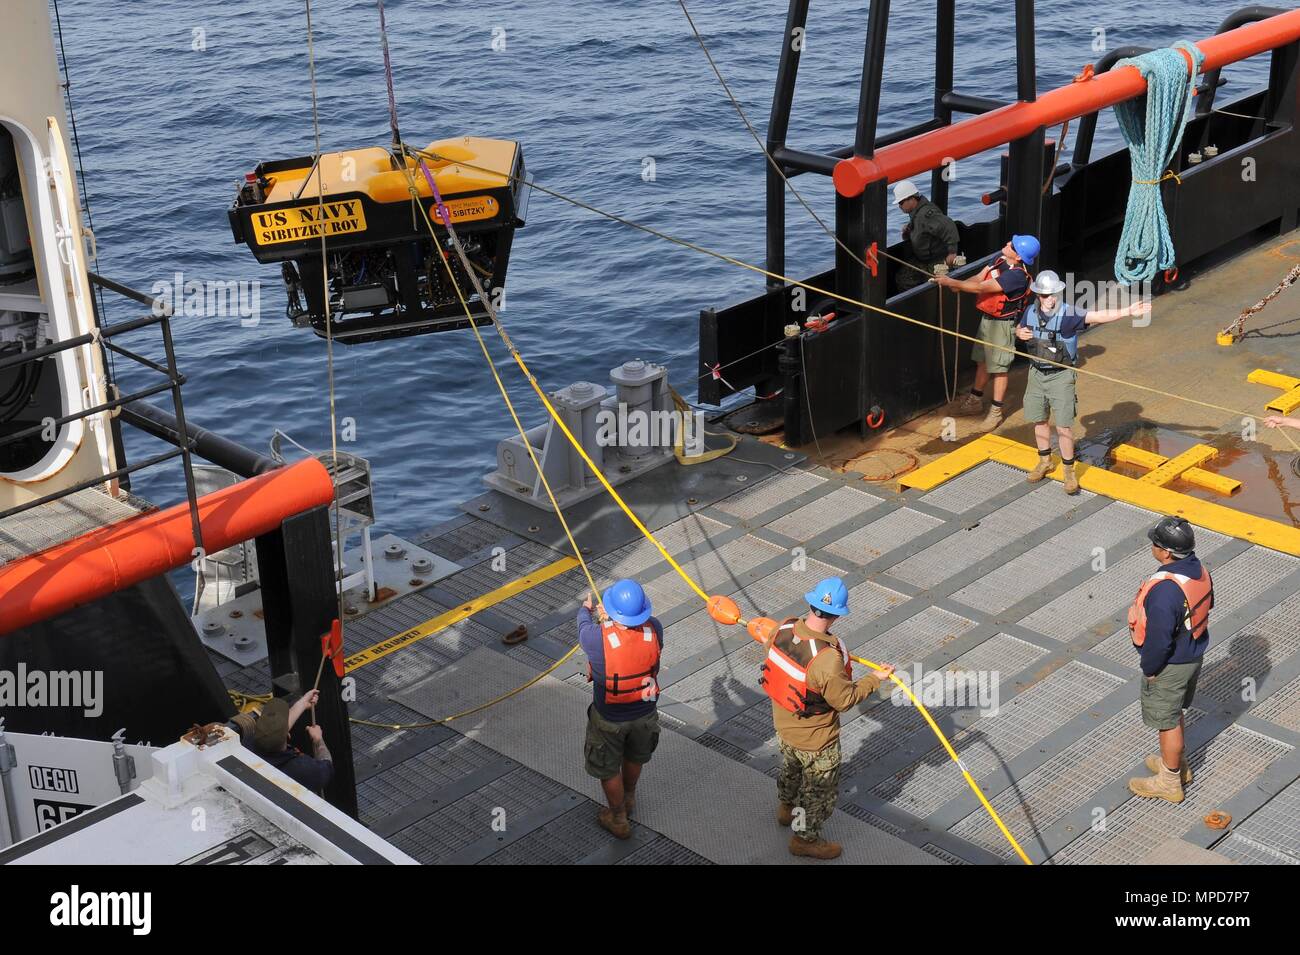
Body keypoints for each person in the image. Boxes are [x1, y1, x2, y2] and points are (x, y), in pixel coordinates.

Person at [761, 576, 895, 860]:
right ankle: (804, 839)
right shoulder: (827, 659)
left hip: (783, 726)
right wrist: (874, 679)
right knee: (818, 791)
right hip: (817, 739)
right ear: (837, 615)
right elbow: (844, 700)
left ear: (811, 603)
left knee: (791, 767)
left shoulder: (782, 627)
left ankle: (786, 809)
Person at [1015, 269, 1152, 494]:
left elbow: (1097, 316)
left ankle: (1068, 472)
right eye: (1045, 295)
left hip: (1061, 376)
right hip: (1036, 374)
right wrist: (1019, 333)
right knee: (1039, 420)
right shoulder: (1030, 312)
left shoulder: (1069, 314)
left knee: (1063, 426)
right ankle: (1045, 461)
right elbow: (1021, 329)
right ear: (1037, 296)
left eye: (1053, 294)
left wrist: (1128, 311)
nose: (1050, 299)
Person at [1126, 517, 1213, 803]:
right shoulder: (1198, 570)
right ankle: (1176, 764)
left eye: (1155, 543)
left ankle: (1169, 782)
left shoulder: (1165, 591)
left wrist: (1151, 669)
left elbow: (1159, 639)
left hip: (1170, 665)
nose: (1152, 546)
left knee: (1168, 722)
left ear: (1165, 553)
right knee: (1175, 713)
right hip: (1193, 653)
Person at [578, 578, 663, 840]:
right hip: (645, 714)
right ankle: (629, 798)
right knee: (635, 756)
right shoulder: (656, 629)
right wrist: (612, 621)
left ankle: (617, 817)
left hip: (609, 719)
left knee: (608, 768)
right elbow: (631, 642)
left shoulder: (595, 638)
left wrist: (587, 609)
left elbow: (583, 626)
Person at [933, 234, 1039, 431]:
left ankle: (996, 411)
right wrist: (960, 285)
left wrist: (953, 283)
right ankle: (975, 400)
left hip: (1002, 325)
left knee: (999, 368)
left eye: (1012, 245)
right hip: (987, 321)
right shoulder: (999, 259)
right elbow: (979, 277)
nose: (1007, 243)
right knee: (982, 360)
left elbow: (983, 287)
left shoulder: (1016, 276)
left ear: (1018, 257)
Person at [227, 689, 333, 791]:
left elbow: (275, 730)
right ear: (288, 735)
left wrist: (303, 703)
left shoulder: (245, 744)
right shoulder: (304, 770)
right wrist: (318, 739)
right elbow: (327, 765)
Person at [893, 179, 960, 292]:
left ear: (911, 199)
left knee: (924, 283)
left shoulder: (926, 215)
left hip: (935, 259)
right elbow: (923, 229)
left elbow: (949, 226)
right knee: (902, 278)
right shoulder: (917, 213)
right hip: (923, 258)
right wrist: (910, 229)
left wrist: (952, 252)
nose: (900, 206)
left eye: (901, 203)